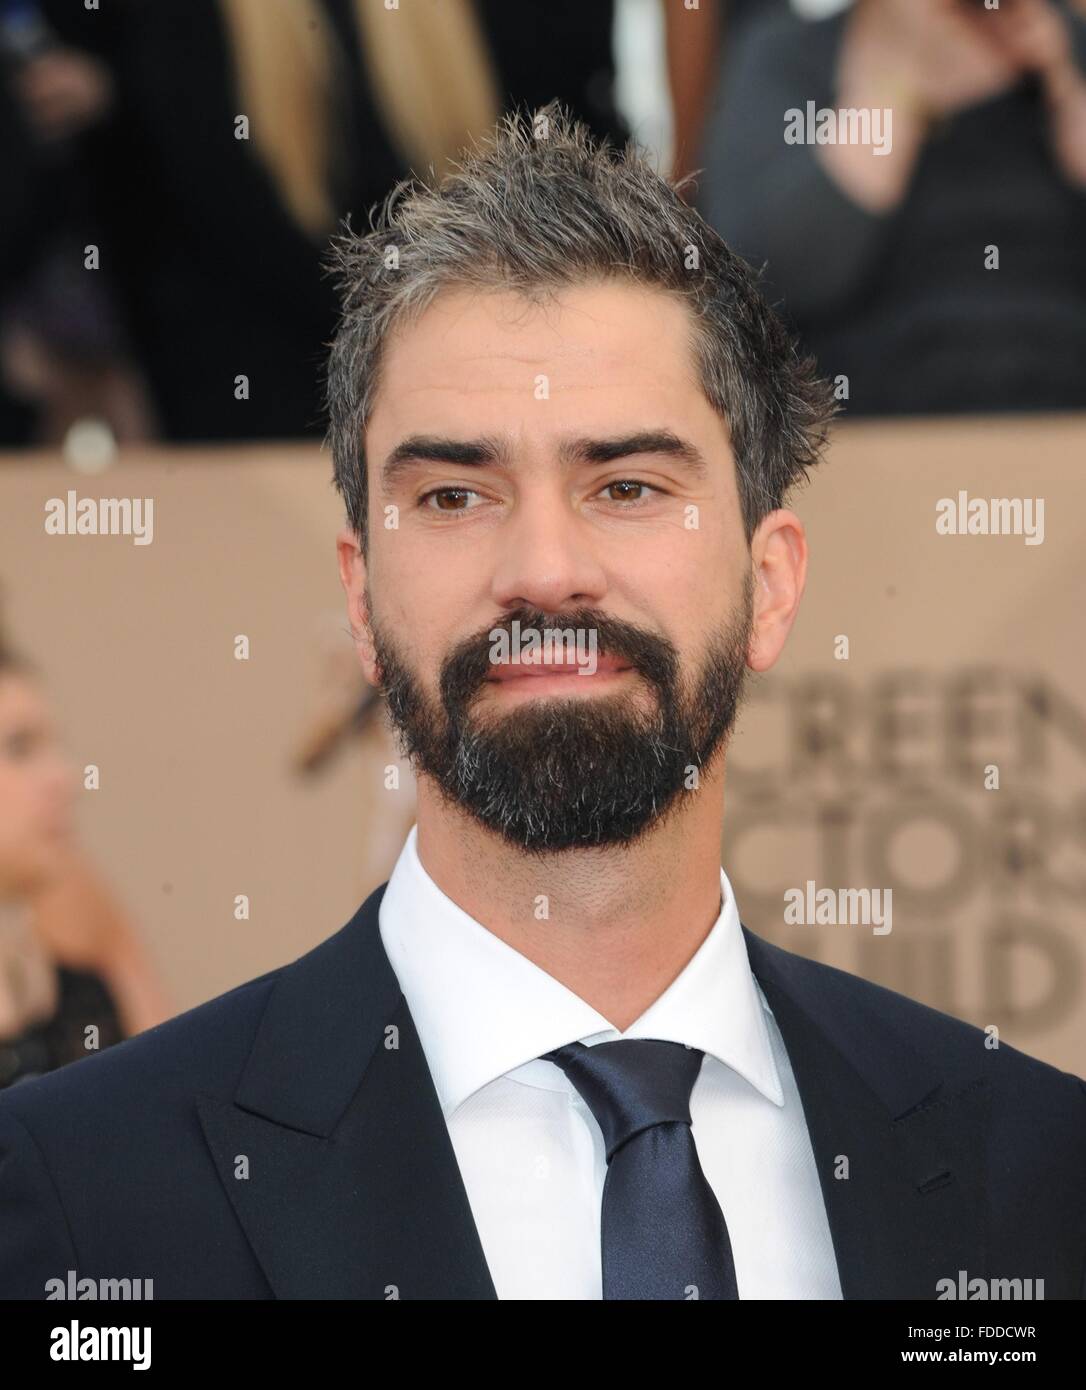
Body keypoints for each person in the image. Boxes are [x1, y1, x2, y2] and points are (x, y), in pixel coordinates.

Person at [0, 103, 1083, 1301]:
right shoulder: (84, 1193)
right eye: (457, 497)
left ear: (769, 584)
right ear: (360, 599)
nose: (542, 569)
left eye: (624, 483)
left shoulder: (1034, 1171)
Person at [696, 0, 1086, 415]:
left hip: (1065, 396)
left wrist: (1066, 92)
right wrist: (896, 93)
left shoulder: (1065, 50)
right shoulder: (790, 54)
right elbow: (758, 277)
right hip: (872, 411)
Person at [0, 620, 171, 1090]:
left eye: (55, 745)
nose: (67, 777)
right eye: (20, 748)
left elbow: (168, 1112)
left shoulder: (80, 994)